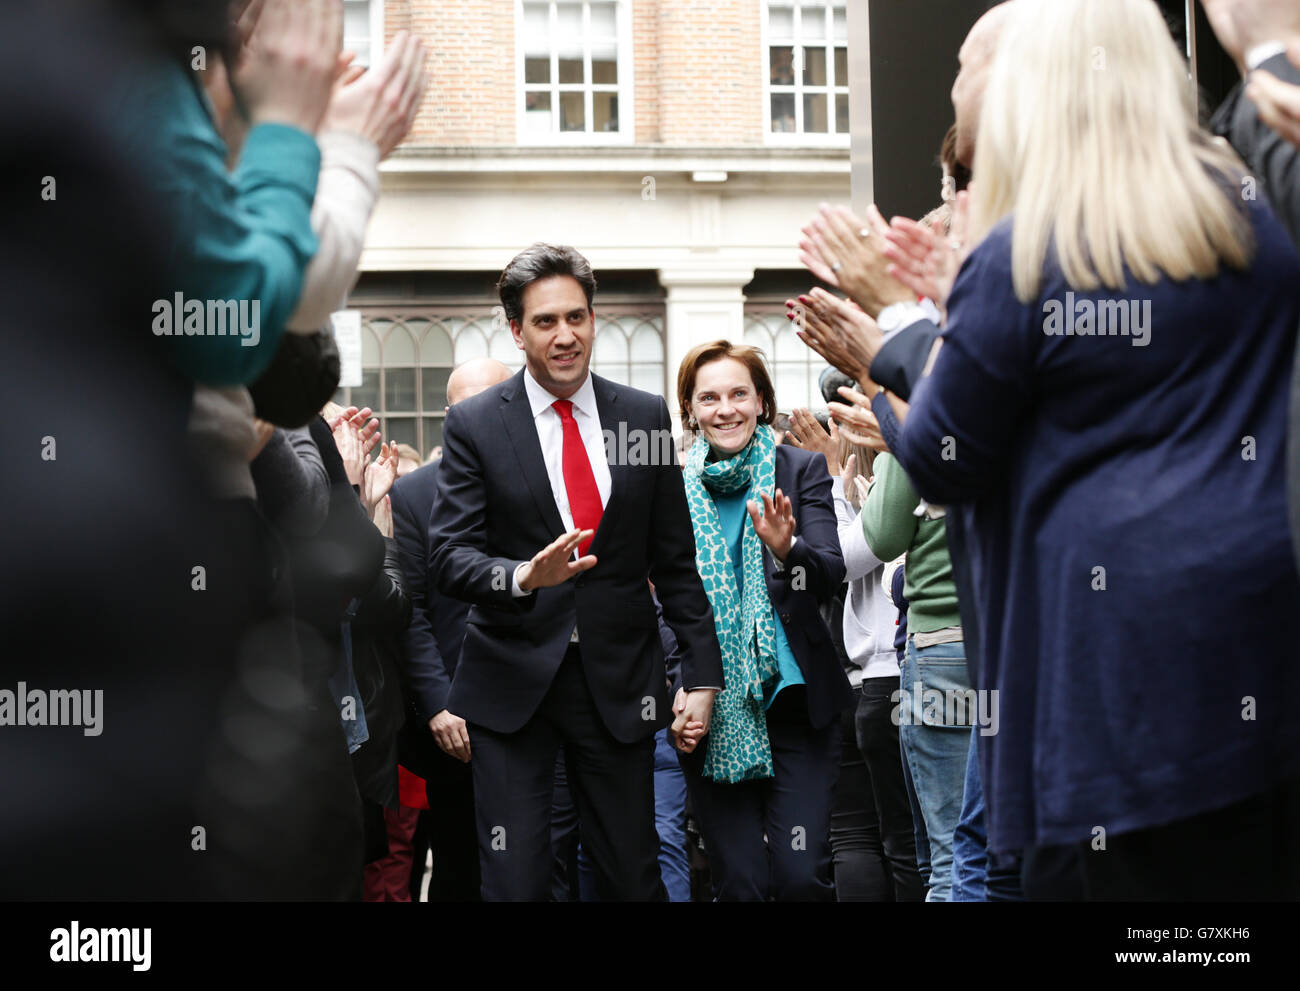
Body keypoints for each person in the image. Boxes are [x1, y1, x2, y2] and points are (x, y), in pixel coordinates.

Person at [894, 0, 1300, 899]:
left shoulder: (1027, 254)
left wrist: (907, 328)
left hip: (1105, 678)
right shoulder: (1255, 227)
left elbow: (940, 455)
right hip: (1260, 655)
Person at [428, 243, 724, 901]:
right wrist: (522, 578)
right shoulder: (477, 423)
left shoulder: (641, 414)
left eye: (578, 317)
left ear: (594, 318)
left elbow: (675, 562)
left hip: (619, 683)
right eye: (545, 322)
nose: (566, 336)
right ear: (516, 330)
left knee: (631, 874)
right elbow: (447, 555)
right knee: (517, 879)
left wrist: (701, 674)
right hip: (511, 684)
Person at [673, 341, 850, 901]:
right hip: (713, 708)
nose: (725, 409)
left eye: (738, 394)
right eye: (709, 397)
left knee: (800, 876)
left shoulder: (800, 469)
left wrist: (787, 548)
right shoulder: (671, 489)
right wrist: (680, 686)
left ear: (762, 401)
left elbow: (829, 571)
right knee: (740, 880)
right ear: (691, 410)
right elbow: (659, 602)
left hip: (795, 702)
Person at [391, 357, 513, 902]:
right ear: (449, 416)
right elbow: (410, 610)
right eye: (469, 407)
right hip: (454, 720)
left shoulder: (546, 477)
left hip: (542, 705)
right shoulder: (414, 494)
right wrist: (438, 703)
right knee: (460, 865)